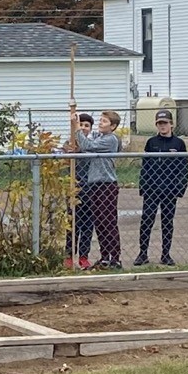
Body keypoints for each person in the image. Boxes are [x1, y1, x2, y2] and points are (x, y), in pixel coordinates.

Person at [136, 107, 188, 265]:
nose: (162, 126)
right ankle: (143, 254)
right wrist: (143, 186)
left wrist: (179, 188)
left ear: (171, 124)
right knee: (146, 220)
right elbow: (145, 166)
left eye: (165, 123)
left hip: (170, 190)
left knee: (167, 222)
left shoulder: (178, 144)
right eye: (159, 123)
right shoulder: (151, 142)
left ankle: (166, 254)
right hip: (152, 190)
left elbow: (184, 168)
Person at [78, 108, 124, 269]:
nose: (100, 123)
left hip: (106, 185)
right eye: (100, 120)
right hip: (94, 184)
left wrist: (76, 129)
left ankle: (115, 258)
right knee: (99, 222)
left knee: (108, 221)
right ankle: (105, 256)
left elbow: (87, 145)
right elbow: (86, 140)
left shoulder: (110, 140)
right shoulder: (100, 136)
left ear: (113, 126)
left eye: (104, 121)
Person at [69, 114, 98, 264]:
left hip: (90, 191)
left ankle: (83, 256)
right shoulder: (70, 145)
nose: (84, 128)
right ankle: (69, 256)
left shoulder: (92, 146)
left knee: (87, 226)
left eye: (87, 126)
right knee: (72, 225)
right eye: (81, 125)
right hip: (73, 191)